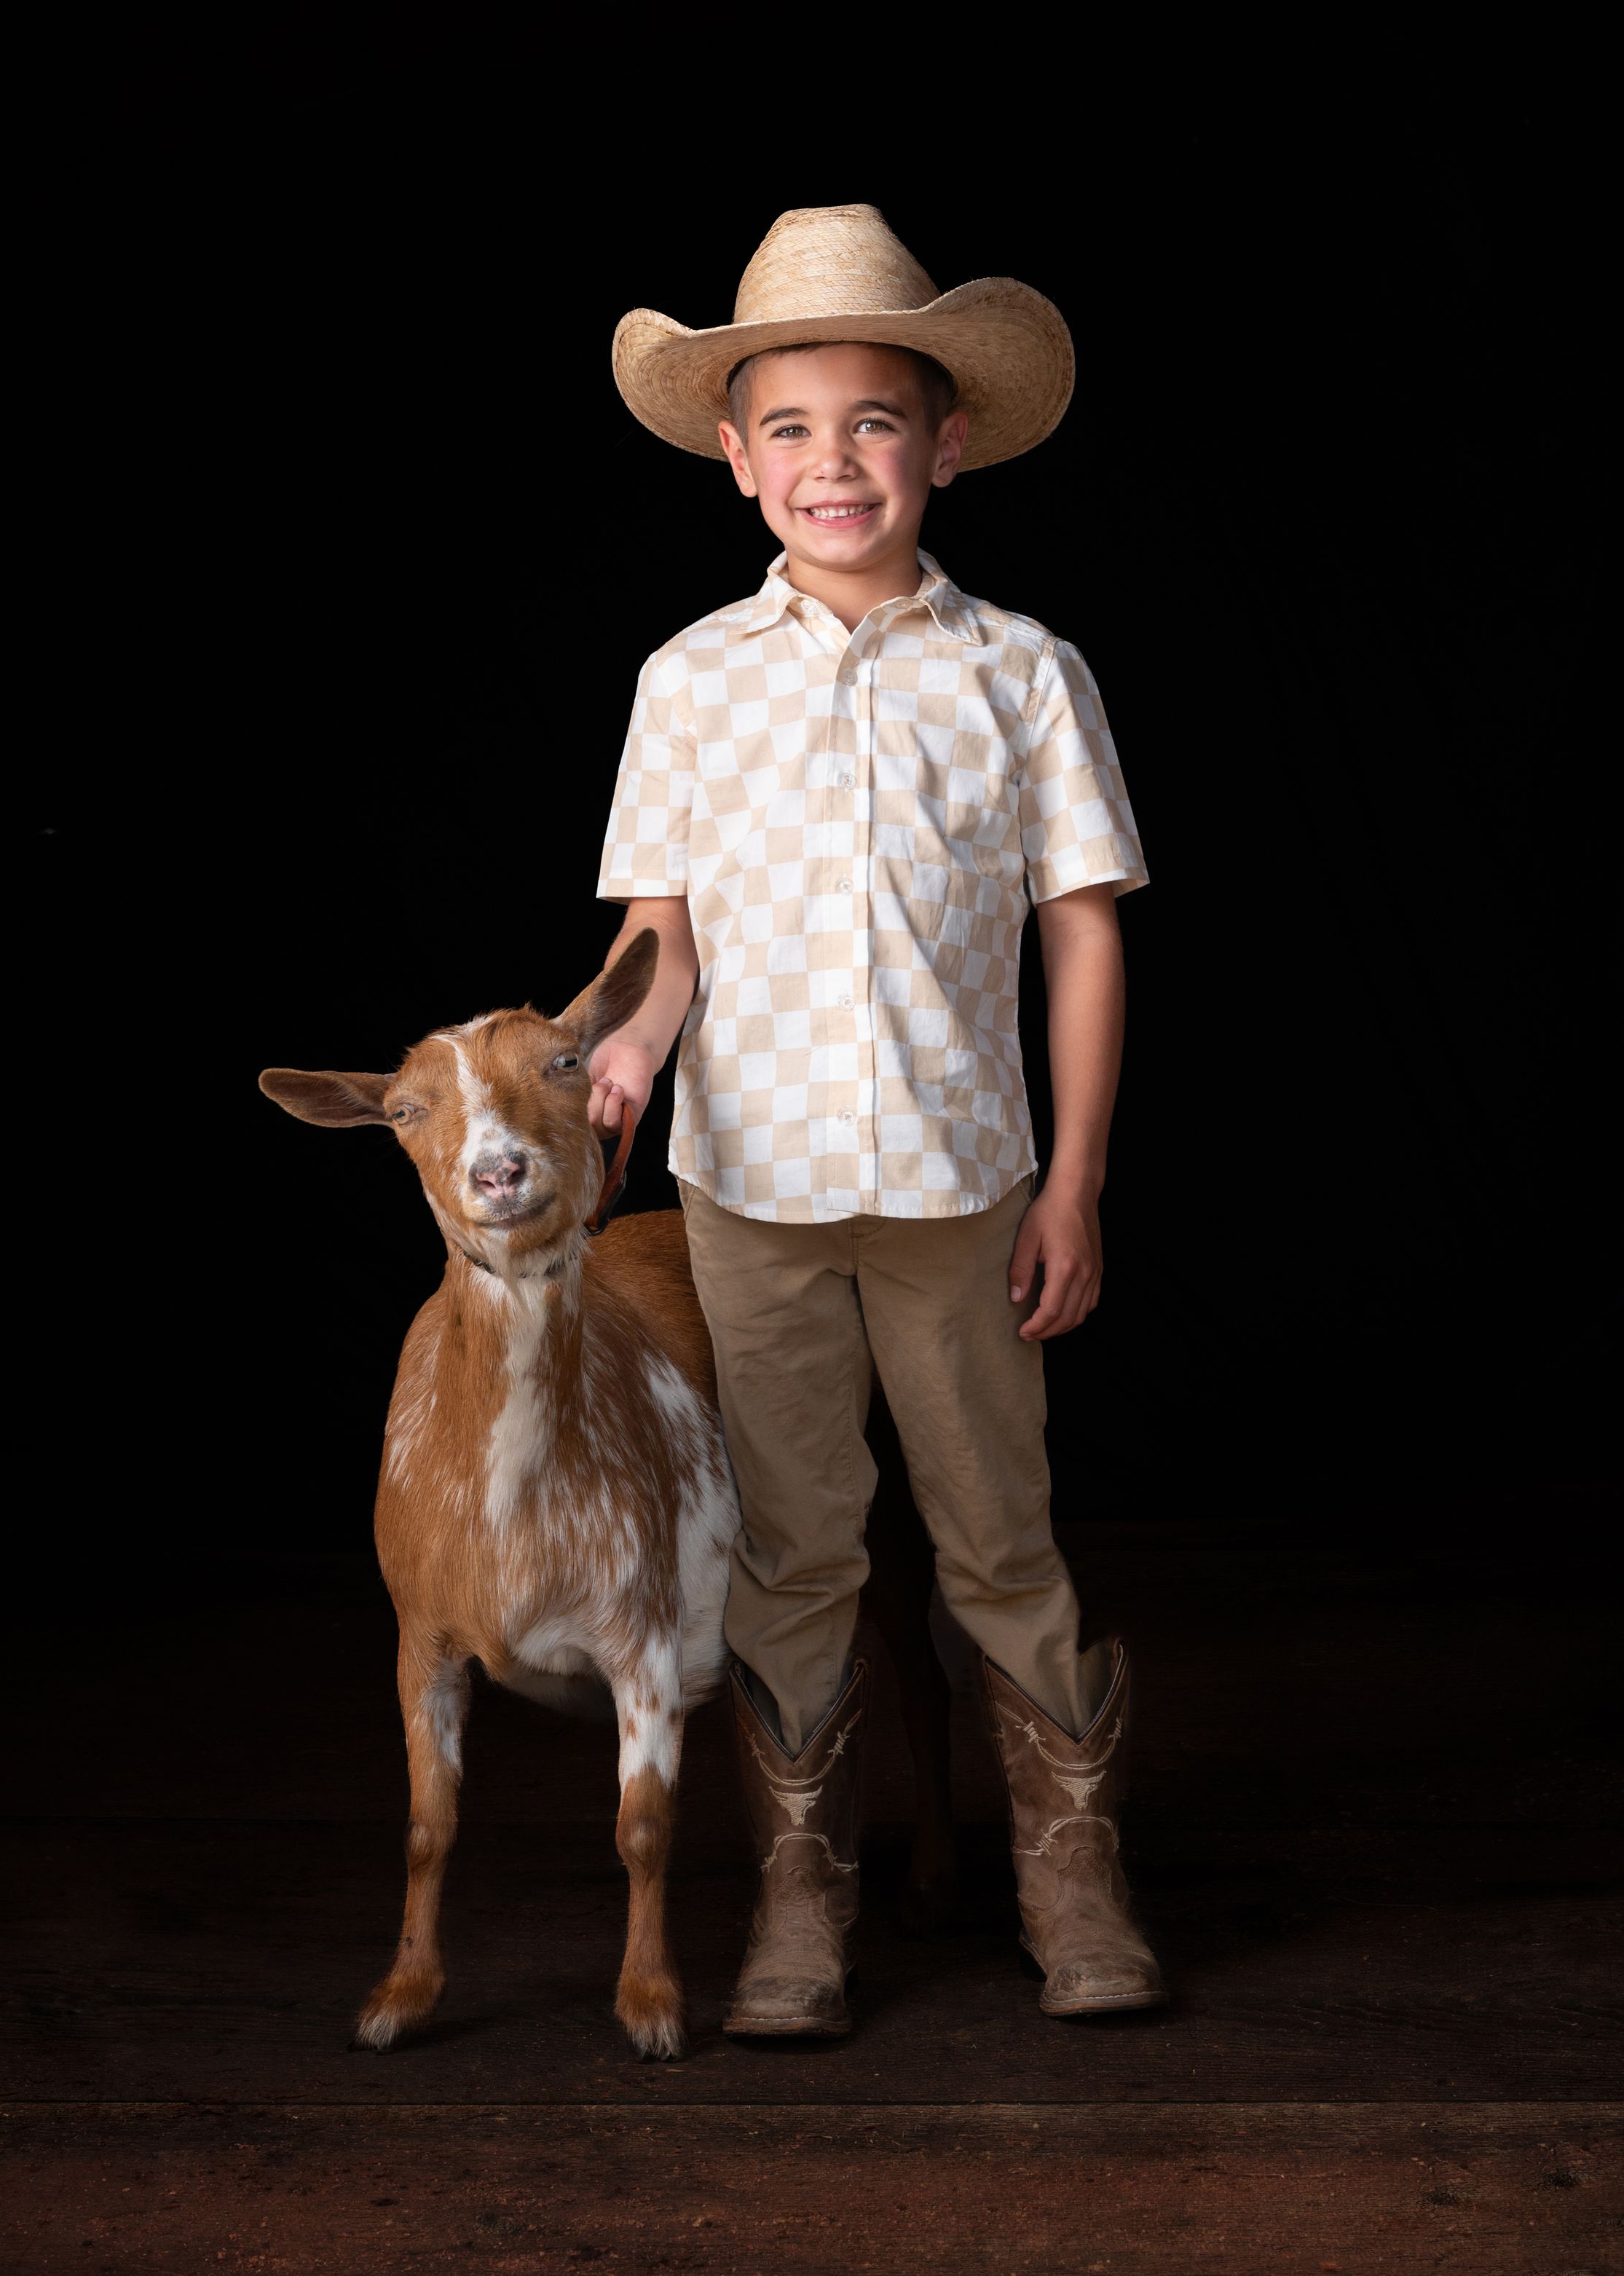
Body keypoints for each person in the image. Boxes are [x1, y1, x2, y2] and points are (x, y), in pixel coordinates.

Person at [592, 204, 1164, 2035]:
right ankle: (799, 1899)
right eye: (788, 429)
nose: (831, 462)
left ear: (946, 441)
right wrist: (624, 1046)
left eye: (872, 422)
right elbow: (661, 945)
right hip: (750, 1191)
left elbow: (1077, 937)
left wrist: (1067, 1179)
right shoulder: (686, 683)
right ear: (734, 459)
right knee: (794, 1542)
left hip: (958, 1186)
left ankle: (1068, 1882)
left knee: (998, 1528)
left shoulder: (1020, 673)